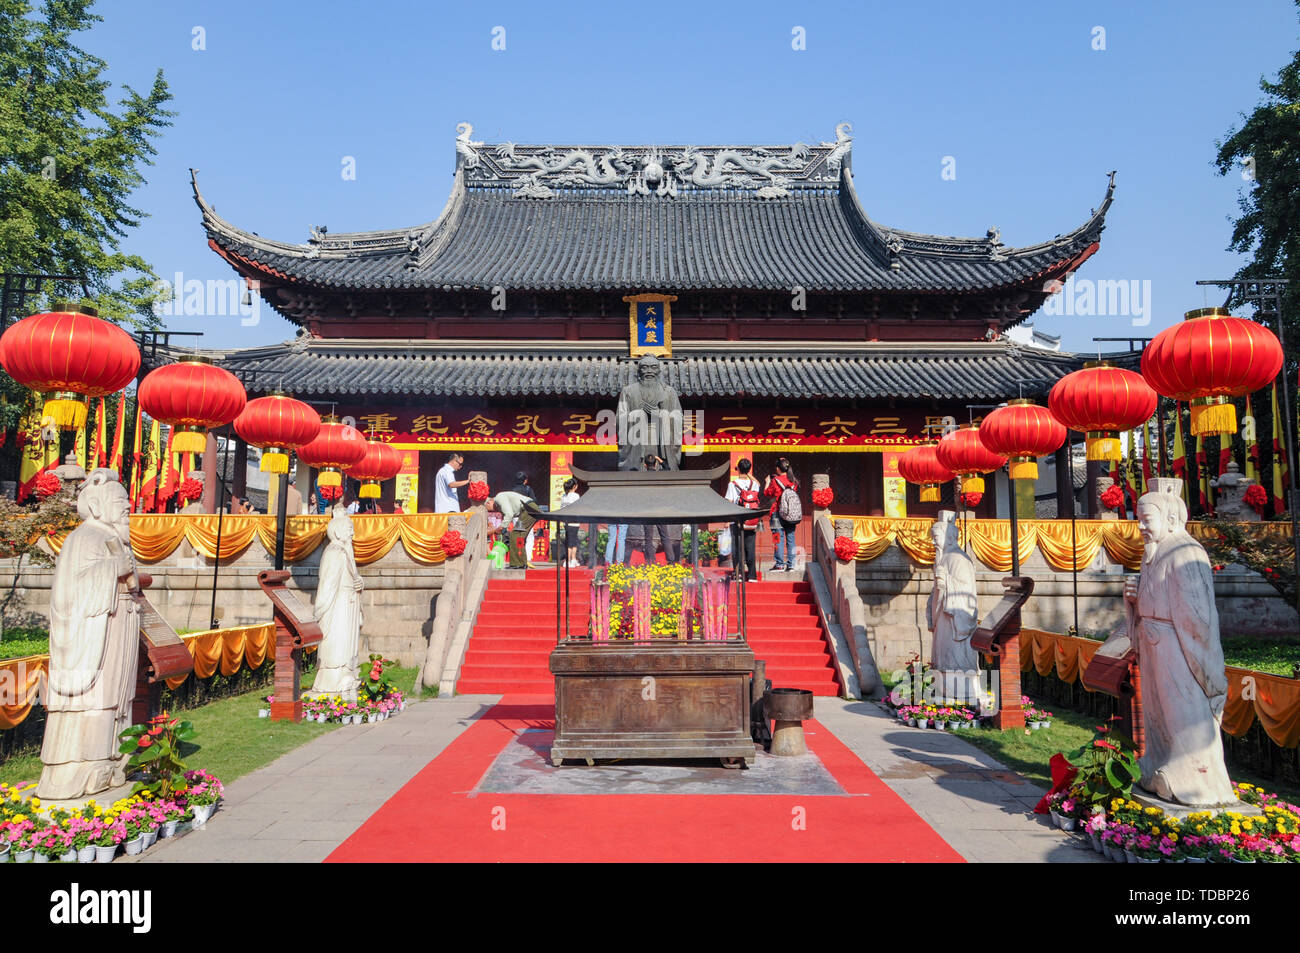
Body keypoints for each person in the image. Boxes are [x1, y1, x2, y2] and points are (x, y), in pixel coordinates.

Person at [1123, 479, 1236, 807]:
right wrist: (1132, 599)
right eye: (1139, 519)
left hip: (1179, 647)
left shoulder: (1186, 553)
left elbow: (1196, 618)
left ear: (1171, 520)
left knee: (1182, 711)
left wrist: (1203, 660)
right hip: (1155, 641)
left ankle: (1194, 779)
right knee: (1158, 713)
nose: (1141, 526)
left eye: (1147, 520)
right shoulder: (1153, 553)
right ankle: (1161, 765)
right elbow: (1149, 597)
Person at [37, 470, 140, 799]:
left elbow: (133, 582)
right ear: (96, 506)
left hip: (117, 627)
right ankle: (84, 764)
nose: (127, 508)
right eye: (119, 502)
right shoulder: (85, 539)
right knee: (97, 698)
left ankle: (110, 761)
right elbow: (70, 594)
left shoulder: (113, 538)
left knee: (115, 698)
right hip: (93, 636)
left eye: (127, 502)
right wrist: (115, 570)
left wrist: (127, 576)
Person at [309, 508, 363, 700]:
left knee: (346, 644)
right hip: (338, 605)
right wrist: (320, 609)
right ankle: (332, 680)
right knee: (337, 643)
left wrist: (358, 583)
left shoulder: (345, 551)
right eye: (349, 528)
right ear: (339, 531)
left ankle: (346, 675)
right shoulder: (335, 552)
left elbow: (352, 577)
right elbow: (327, 585)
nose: (352, 533)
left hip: (348, 604)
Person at [616, 355, 683, 471]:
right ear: (639, 371)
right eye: (645, 367)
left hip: (661, 442)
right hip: (636, 441)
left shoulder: (669, 392)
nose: (649, 371)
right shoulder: (628, 391)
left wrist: (662, 414)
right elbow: (620, 417)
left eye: (653, 367)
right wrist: (638, 414)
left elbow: (678, 416)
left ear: (659, 370)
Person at [725, 458, 761, 582]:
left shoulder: (733, 484)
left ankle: (738, 574)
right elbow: (759, 484)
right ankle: (752, 575)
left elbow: (729, 502)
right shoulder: (754, 485)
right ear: (749, 469)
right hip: (751, 519)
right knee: (750, 547)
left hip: (736, 519)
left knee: (737, 547)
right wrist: (748, 473)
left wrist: (726, 520)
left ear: (738, 469)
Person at [640, 453, 679, 564]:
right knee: (665, 536)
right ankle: (671, 560)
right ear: (656, 464)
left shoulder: (641, 476)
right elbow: (668, 468)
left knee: (648, 537)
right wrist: (659, 460)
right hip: (660, 509)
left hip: (647, 510)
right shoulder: (661, 474)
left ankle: (650, 560)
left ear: (645, 465)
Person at [764, 457, 800, 572]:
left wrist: (767, 482)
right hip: (790, 514)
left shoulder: (775, 480)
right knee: (791, 538)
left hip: (776, 513)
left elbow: (767, 493)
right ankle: (791, 565)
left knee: (777, 538)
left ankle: (779, 564)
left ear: (779, 468)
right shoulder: (794, 481)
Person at [486, 490, 538, 569]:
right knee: (519, 537)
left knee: (515, 534)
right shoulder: (500, 502)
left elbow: (509, 514)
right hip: (529, 509)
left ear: (489, 502)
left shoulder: (499, 498)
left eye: (489, 509)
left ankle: (517, 564)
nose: (492, 510)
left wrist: (502, 527)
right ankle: (522, 562)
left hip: (528, 508)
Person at [560, 477, 582, 567]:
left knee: (570, 541)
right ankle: (570, 560)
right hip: (574, 521)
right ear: (574, 486)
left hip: (566, 521)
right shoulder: (576, 496)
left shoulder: (563, 496)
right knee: (573, 542)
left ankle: (570, 560)